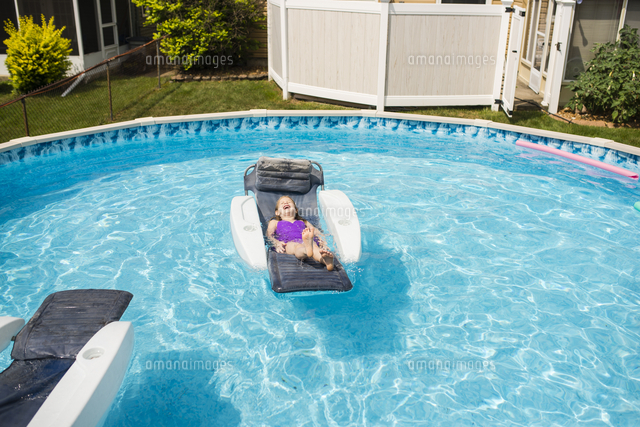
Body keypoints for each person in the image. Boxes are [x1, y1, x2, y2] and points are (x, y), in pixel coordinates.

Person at [266, 195, 334, 271]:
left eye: (289, 202)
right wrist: (276, 243)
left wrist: (322, 242)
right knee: (297, 247)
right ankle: (307, 250)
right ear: (277, 212)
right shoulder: (275, 222)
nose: (285, 203)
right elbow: (269, 235)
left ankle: (325, 260)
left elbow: (316, 232)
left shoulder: (303, 221)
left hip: (306, 240)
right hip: (287, 242)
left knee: (314, 246)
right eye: (282, 203)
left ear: (296, 210)